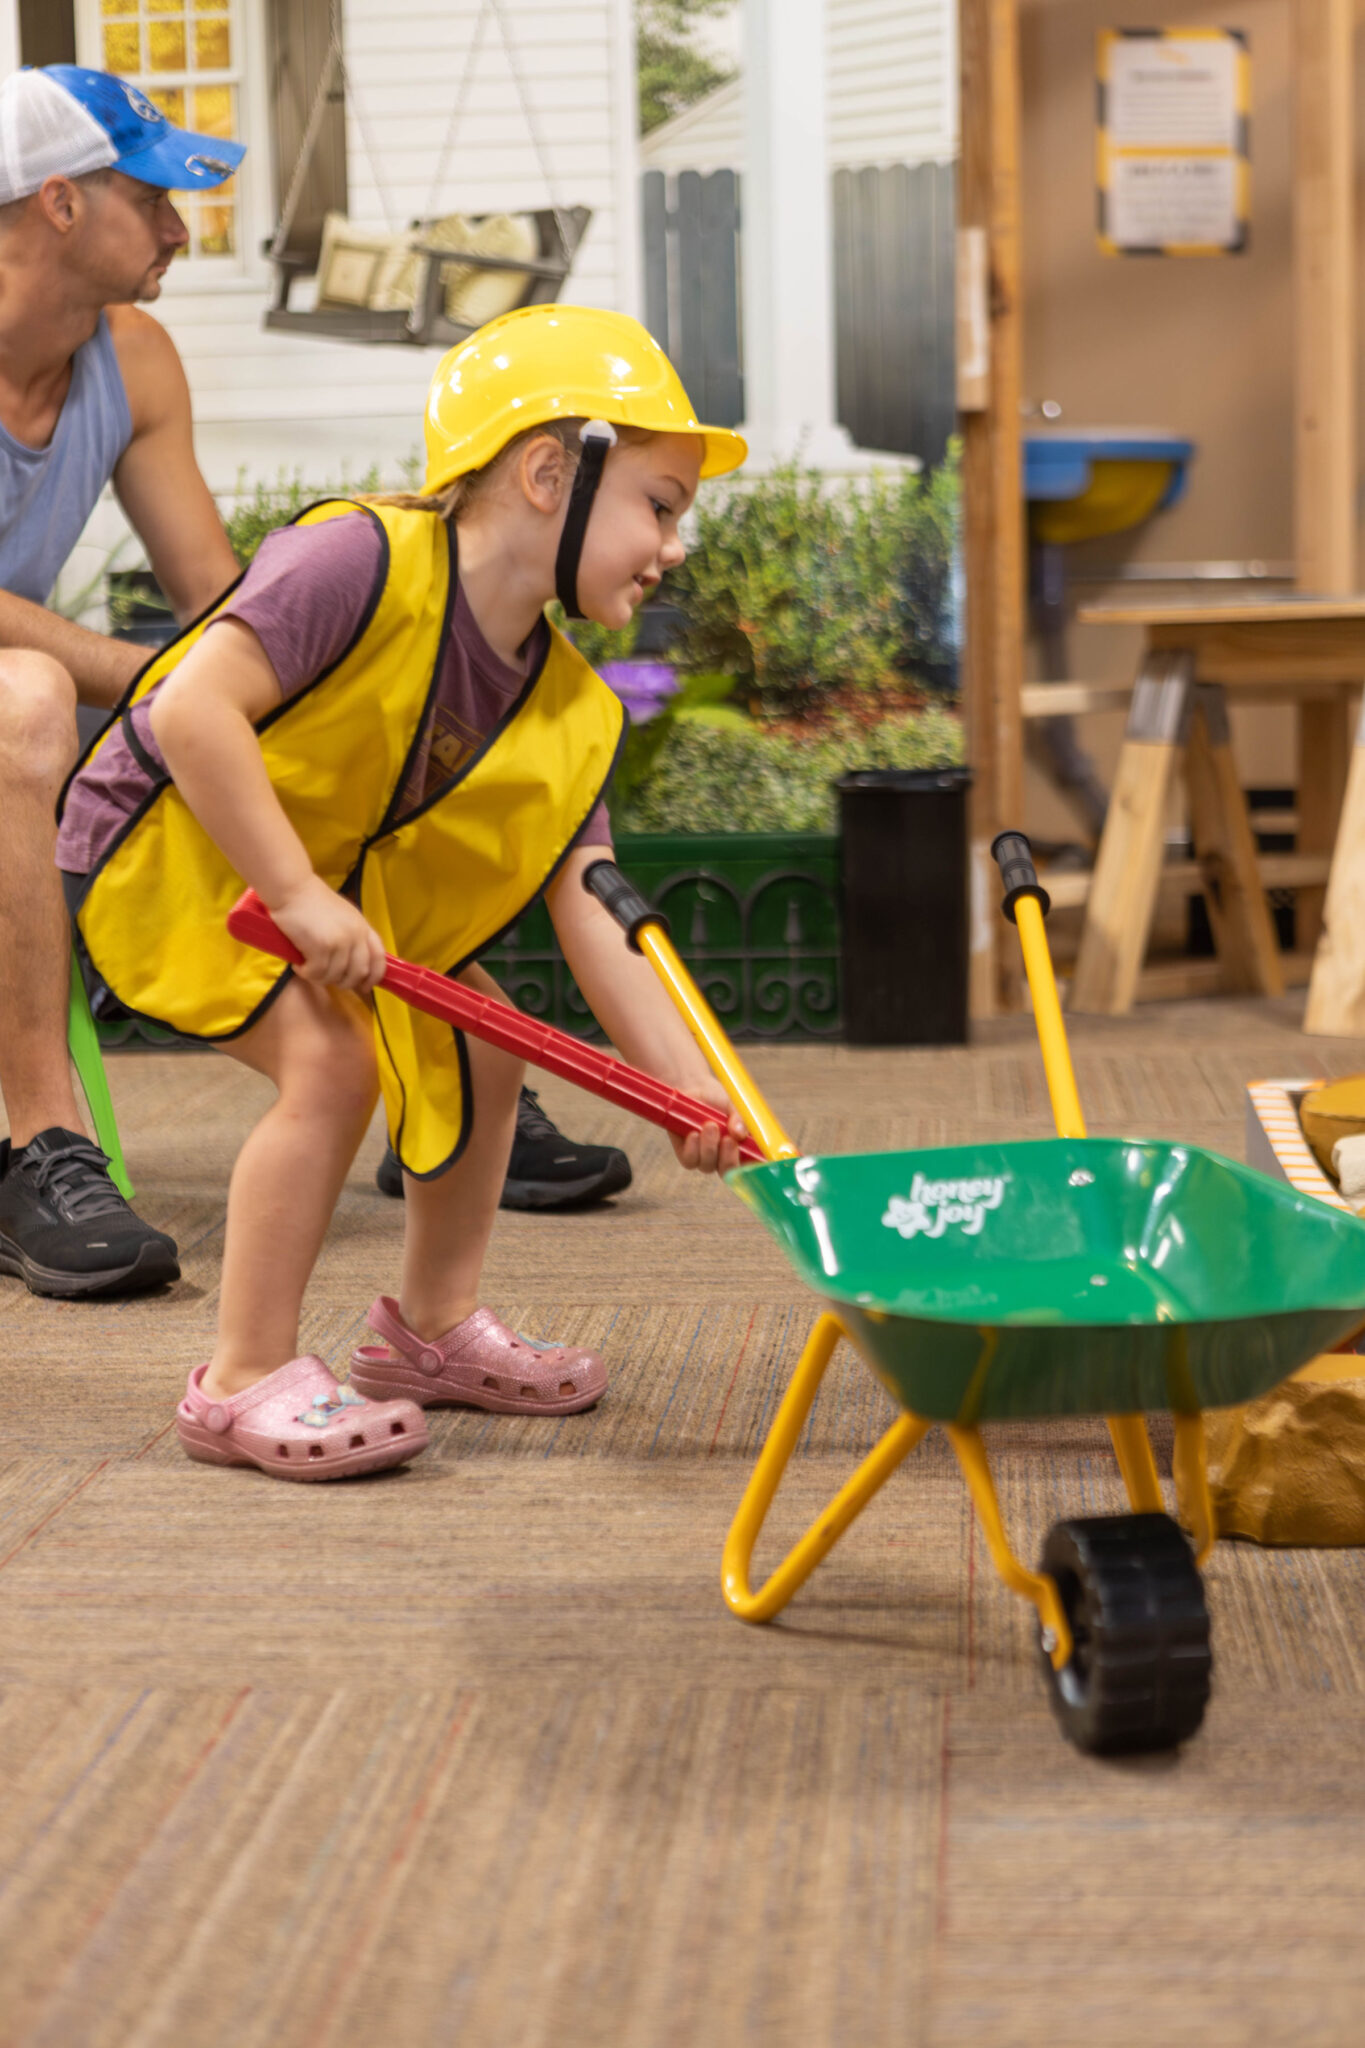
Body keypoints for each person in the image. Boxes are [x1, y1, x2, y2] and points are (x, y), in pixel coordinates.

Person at [57, 304, 749, 1481]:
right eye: (662, 503)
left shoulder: (568, 703)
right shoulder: (360, 560)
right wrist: (295, 891)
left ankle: (427, 1329)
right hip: (173, 850)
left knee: (490, 1042)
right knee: (335, 1061)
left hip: (330, 889)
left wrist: (684, 1084)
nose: (674, 543)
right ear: (548, 472)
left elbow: (588, 895)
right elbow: (190, 708)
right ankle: (239, 1378)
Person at [0, 63, 244, 1296]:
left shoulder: (133, 360)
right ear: (57, 205)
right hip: (15, 705)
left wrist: (316, 663)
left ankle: (440, 1091)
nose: (177, 227)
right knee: (30, 697)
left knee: (276, 717)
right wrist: (143, 675)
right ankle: (41, 1142)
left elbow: (221, 600)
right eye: (148, 195)